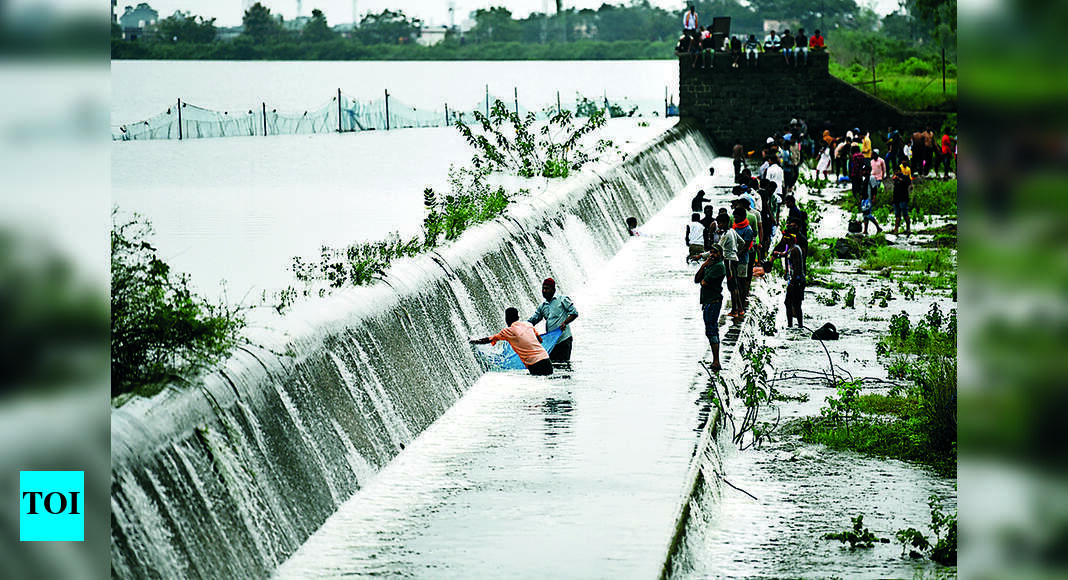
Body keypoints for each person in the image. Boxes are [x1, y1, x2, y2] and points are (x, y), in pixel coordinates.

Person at [471, 307, 553, 376]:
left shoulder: (508, 331)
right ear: (518, 317)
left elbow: (489, 339)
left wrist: (473, 342)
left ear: (507, 319)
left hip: (535, 364)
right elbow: (540, 340)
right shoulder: (528, 324)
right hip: (546, 359)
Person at [529, 278, 579, 362]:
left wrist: (565, 322)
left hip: (564, 340)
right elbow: (534, 320)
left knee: (564, 367)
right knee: (554, 368)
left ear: (553, 290)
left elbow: (574, 313)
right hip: (551, 343)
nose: (544, 291)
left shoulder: (562, 300)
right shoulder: (542, 306)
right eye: (543, 288)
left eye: (547, 288)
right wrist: (522, 325)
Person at [695, 245, 727, 371]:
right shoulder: (710, 265)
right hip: (708, 301)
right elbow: (697, 280)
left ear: (720, 254)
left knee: (711, 330)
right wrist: (703, 265)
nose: (712, 255)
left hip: (713, 302)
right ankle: (715, 360)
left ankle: (716, 361)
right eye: (711, 252)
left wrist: (704, 267)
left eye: (715, 253)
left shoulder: (719, 266)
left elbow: (703, 282)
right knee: (711, 329)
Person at [716, 213, 743, 317]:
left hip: (729, 261)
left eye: (719, 223)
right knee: (734, 285)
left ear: (725, 223)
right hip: (734, 259)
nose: (718, 225)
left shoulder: (726, 235)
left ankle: (735, 310)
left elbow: (717, 248)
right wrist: (735, 250)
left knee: (732, 286)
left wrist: (702, 255)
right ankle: (740, 308)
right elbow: (742, 242)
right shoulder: (732, 231)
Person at [730, 206, 754, 318]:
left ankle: (742, 304)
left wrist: (737, 255)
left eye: (737, 217)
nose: (735, 219)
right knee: (735, 282)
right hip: (734, 258)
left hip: (742, 259)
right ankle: (737, 305)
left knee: (741, 282)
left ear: (743, 217)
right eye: (734, 217)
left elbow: (747, 245)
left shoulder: (748, 229)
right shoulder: (735, 227)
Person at [777, 233, 806, 327]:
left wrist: (792, 283)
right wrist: (779, 254)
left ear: (788, 239)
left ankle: (798, 325)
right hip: (793, 280)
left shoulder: (795, 250)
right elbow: (786, 255)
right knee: (789, 303)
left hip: (797, 281)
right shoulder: (790, 248)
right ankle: (791, 325)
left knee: (795, 304)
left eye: (784, 239)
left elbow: (797, 268)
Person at [891, 166, 912, 236]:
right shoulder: (895, 179)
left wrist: (899, 179)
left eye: (897, 171)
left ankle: (908, 228)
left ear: (900, 171)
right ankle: (896, 228)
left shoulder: (905, 177)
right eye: (895, 172)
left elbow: (906, 182)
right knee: (897, 214)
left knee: (905, 213)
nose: (896, 173)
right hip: (896, 199)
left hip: (903, 198)